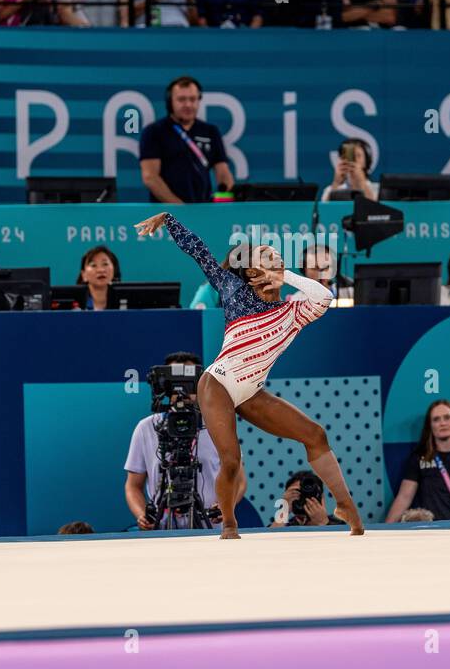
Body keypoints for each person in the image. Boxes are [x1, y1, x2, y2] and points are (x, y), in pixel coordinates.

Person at [134, 211, 364, 537]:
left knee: (315, 435)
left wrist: (287, 277)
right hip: (217, 385)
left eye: (278, 256)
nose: (277, 258)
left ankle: (344, 505)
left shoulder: (292, 312)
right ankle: (228, 523)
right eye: (269, 256)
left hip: (252, 392)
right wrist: (169, 221)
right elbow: (199, 251)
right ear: (253, 270)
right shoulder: (233, 290)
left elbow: (324, 296)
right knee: (231, 460)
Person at [124, 351, 236, 530]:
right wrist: (142, 515)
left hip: (210, 528)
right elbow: (133, 485)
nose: (182, 390)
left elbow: (238, 478)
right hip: (161, 529)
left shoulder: (217, 426)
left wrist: (226, 506)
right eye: (176, 382)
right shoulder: (147, 428)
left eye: (188, 383)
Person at [139, 75, 234, 203]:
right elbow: (150, 177)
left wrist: (223, 201)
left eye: (193, 99)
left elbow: (223, 172)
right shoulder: (154, 132)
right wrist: (179, 207)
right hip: (167, 215)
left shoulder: (210, 131)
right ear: (170, 102)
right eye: (182, 99)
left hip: (204, 211)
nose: (188, 104)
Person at [384, 399, 450, 522]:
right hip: (432, 531)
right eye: (436, 419)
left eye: (447, 417)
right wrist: (387, 530)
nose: (442, 423)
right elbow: (404, 497)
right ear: (430, 426)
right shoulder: (420, 458)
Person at [268, 469, 346, 526]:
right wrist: (284, 510)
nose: (304, 497)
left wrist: (323, 523)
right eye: (297, 493)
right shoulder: (284, 526)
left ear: (321, 497)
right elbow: (268, 544)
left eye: (309, 493)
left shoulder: (339, 526)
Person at [77, 245, 121, 309]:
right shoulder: (76, 302)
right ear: (84, 275)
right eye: (93, 265)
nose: (100, 270)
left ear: (114, 270)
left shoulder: (124, 299)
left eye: (105, 264)